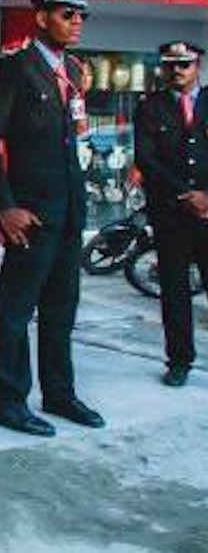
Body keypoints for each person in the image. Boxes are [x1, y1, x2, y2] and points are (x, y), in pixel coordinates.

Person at [0, 0, 105, 437]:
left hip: (68, 213)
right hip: (30, 214)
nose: (76, 23)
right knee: (14, 309)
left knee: (61, 308)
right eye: (67, 14)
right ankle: (6, 401)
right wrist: (4, 207)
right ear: (42, 17)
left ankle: (59, 393)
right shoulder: (15, 68)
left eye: (81, 15)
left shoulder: (71, 68)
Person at [133, 41, 208, 387]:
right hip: (172, 213)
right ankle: (179, 361)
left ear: (199, 66)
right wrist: (186, 194)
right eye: (170, 65)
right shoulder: (151, 107)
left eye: (185, 64)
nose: (177, 71)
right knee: (175, 290)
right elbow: (146, 158)